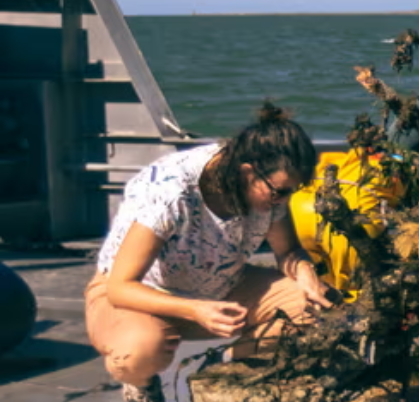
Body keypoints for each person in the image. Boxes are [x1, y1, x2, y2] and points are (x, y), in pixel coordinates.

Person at [85, 102, 335, 402]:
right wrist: (195, 309)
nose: (285, 199)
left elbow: (288, 251)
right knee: (141, 348)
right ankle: (140, 385)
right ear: (247, 172)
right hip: (142, 298)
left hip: (221, 285)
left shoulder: (270, 190)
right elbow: (120, 288)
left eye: (292, 191)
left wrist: (306, 273)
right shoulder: (170, 193)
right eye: (280, 191)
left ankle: (230, 372)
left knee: (314, 308)